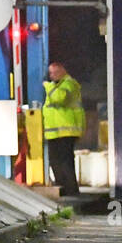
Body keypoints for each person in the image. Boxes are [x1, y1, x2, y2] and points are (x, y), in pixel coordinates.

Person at [42, 61, 85, 198]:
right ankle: (63, 187)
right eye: (50, 73)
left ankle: (71, 189)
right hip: (56, 132)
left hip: (65, 131)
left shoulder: (68, 84)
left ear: (63, 71)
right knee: (56, 161)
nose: (52, 75)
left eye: (55, 72)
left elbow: (59, 99)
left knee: (65, 161)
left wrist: (48, 87)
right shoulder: (59, 85)